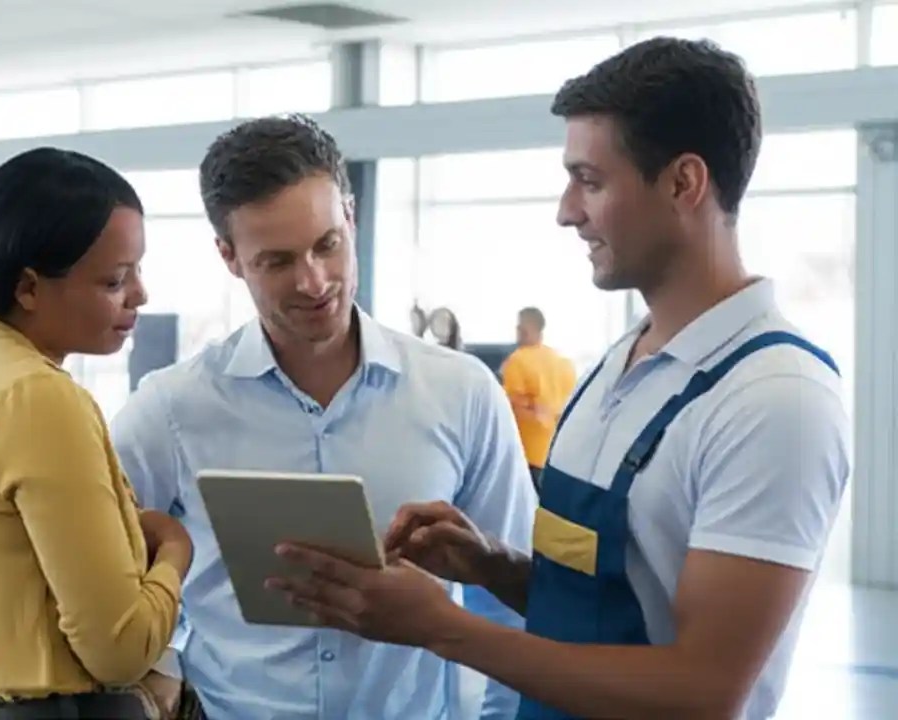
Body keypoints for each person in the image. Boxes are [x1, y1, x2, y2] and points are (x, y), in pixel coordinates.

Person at [270, 37, 850, 720]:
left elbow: (703, 691)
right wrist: (491, 565)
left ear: (683, 183)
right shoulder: (620, 363)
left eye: (591, 180)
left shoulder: (775, 400)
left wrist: (443, 627)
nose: (566, 210)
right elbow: (610, 601)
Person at [109, 114, 537, 720]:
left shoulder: (462, 392)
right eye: (277, 261)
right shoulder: (171, 409)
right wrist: (157, 670)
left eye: (327, 245)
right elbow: (102, 582)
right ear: (229, 257)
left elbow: (510, 595)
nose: (313, 282)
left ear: (351, 219)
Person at [0, 147, 200, 720]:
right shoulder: (41, 398)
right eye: (115, 279)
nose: (139, 295)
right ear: (29, 288)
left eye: (138, 272)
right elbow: (119, 649)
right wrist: (174, 551)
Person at [498, 307, 577, 489]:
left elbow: (508, 407)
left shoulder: (518, 360)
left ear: (523, 329)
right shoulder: (563, 362)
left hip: (525, 454)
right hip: (553, 456)